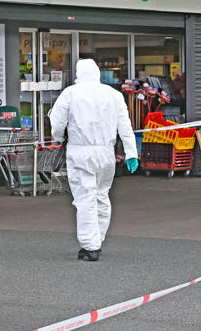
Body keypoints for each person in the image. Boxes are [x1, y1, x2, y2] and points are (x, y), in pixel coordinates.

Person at [49, 59, 139, 262]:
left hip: (80, 153)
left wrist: (58, 138)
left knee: (85, 199)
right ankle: (98, 239)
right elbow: (125, 126)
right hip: (106, 154)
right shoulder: (114, 95)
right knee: (101, 196)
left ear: (78, 74)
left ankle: (90, 247)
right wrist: (131, 153)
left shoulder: (70, 93)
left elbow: (57, 122)